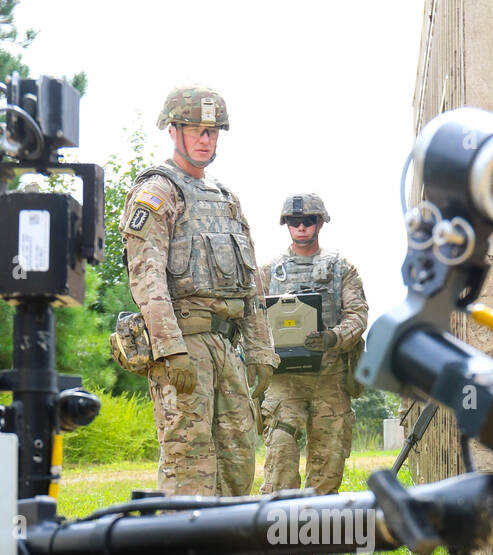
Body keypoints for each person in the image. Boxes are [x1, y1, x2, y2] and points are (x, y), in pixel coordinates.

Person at [117, 85, 277, 496]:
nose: (206, 139)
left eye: (213, 131)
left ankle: (227, 552)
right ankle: (181, 553)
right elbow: (147, 277)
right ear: (173, 130)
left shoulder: (226, 200)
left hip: (226, 347)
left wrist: (261, 352)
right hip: (185, 344)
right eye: (196, 130)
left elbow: (251, 285)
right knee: (189, 461)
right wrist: (171, 350)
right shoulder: (158, 193)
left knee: (239, 459)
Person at [260, 194, 367, 494]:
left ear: (320, 223)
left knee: (328, 465)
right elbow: (253, 316)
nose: (302, 227)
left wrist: (333, 336)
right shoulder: (269, 271)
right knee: (280, 456)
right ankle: (280, 532)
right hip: (284, 380)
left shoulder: (341, 268)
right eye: (295, 222)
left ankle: (319, 535)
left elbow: (358, 316)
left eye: (308, 220)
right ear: (287, 225)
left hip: (329, 379)